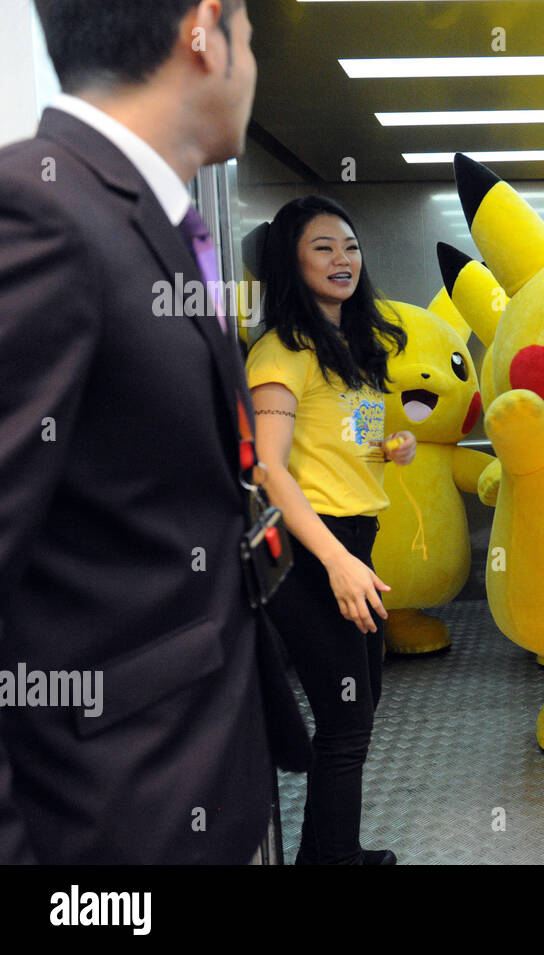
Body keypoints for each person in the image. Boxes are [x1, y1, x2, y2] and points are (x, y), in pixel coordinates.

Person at [0, 0, 312, 864]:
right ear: (205, 31)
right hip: (106, 828)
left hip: (191, 786)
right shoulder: (38, 213)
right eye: (250, 39)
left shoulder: (148, 224)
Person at [245, 195, 415, 865]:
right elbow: (268, 468)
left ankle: (332, 852)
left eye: (350, 245)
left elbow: (350, 439)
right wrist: (338, 562)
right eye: (323, 247)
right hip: (309, 548)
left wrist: (388, 446)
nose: (342, 259)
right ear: (291, 258)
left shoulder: (356, 349)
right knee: (346, 722)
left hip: (353, 537)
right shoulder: (280, 351)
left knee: (358, 707)